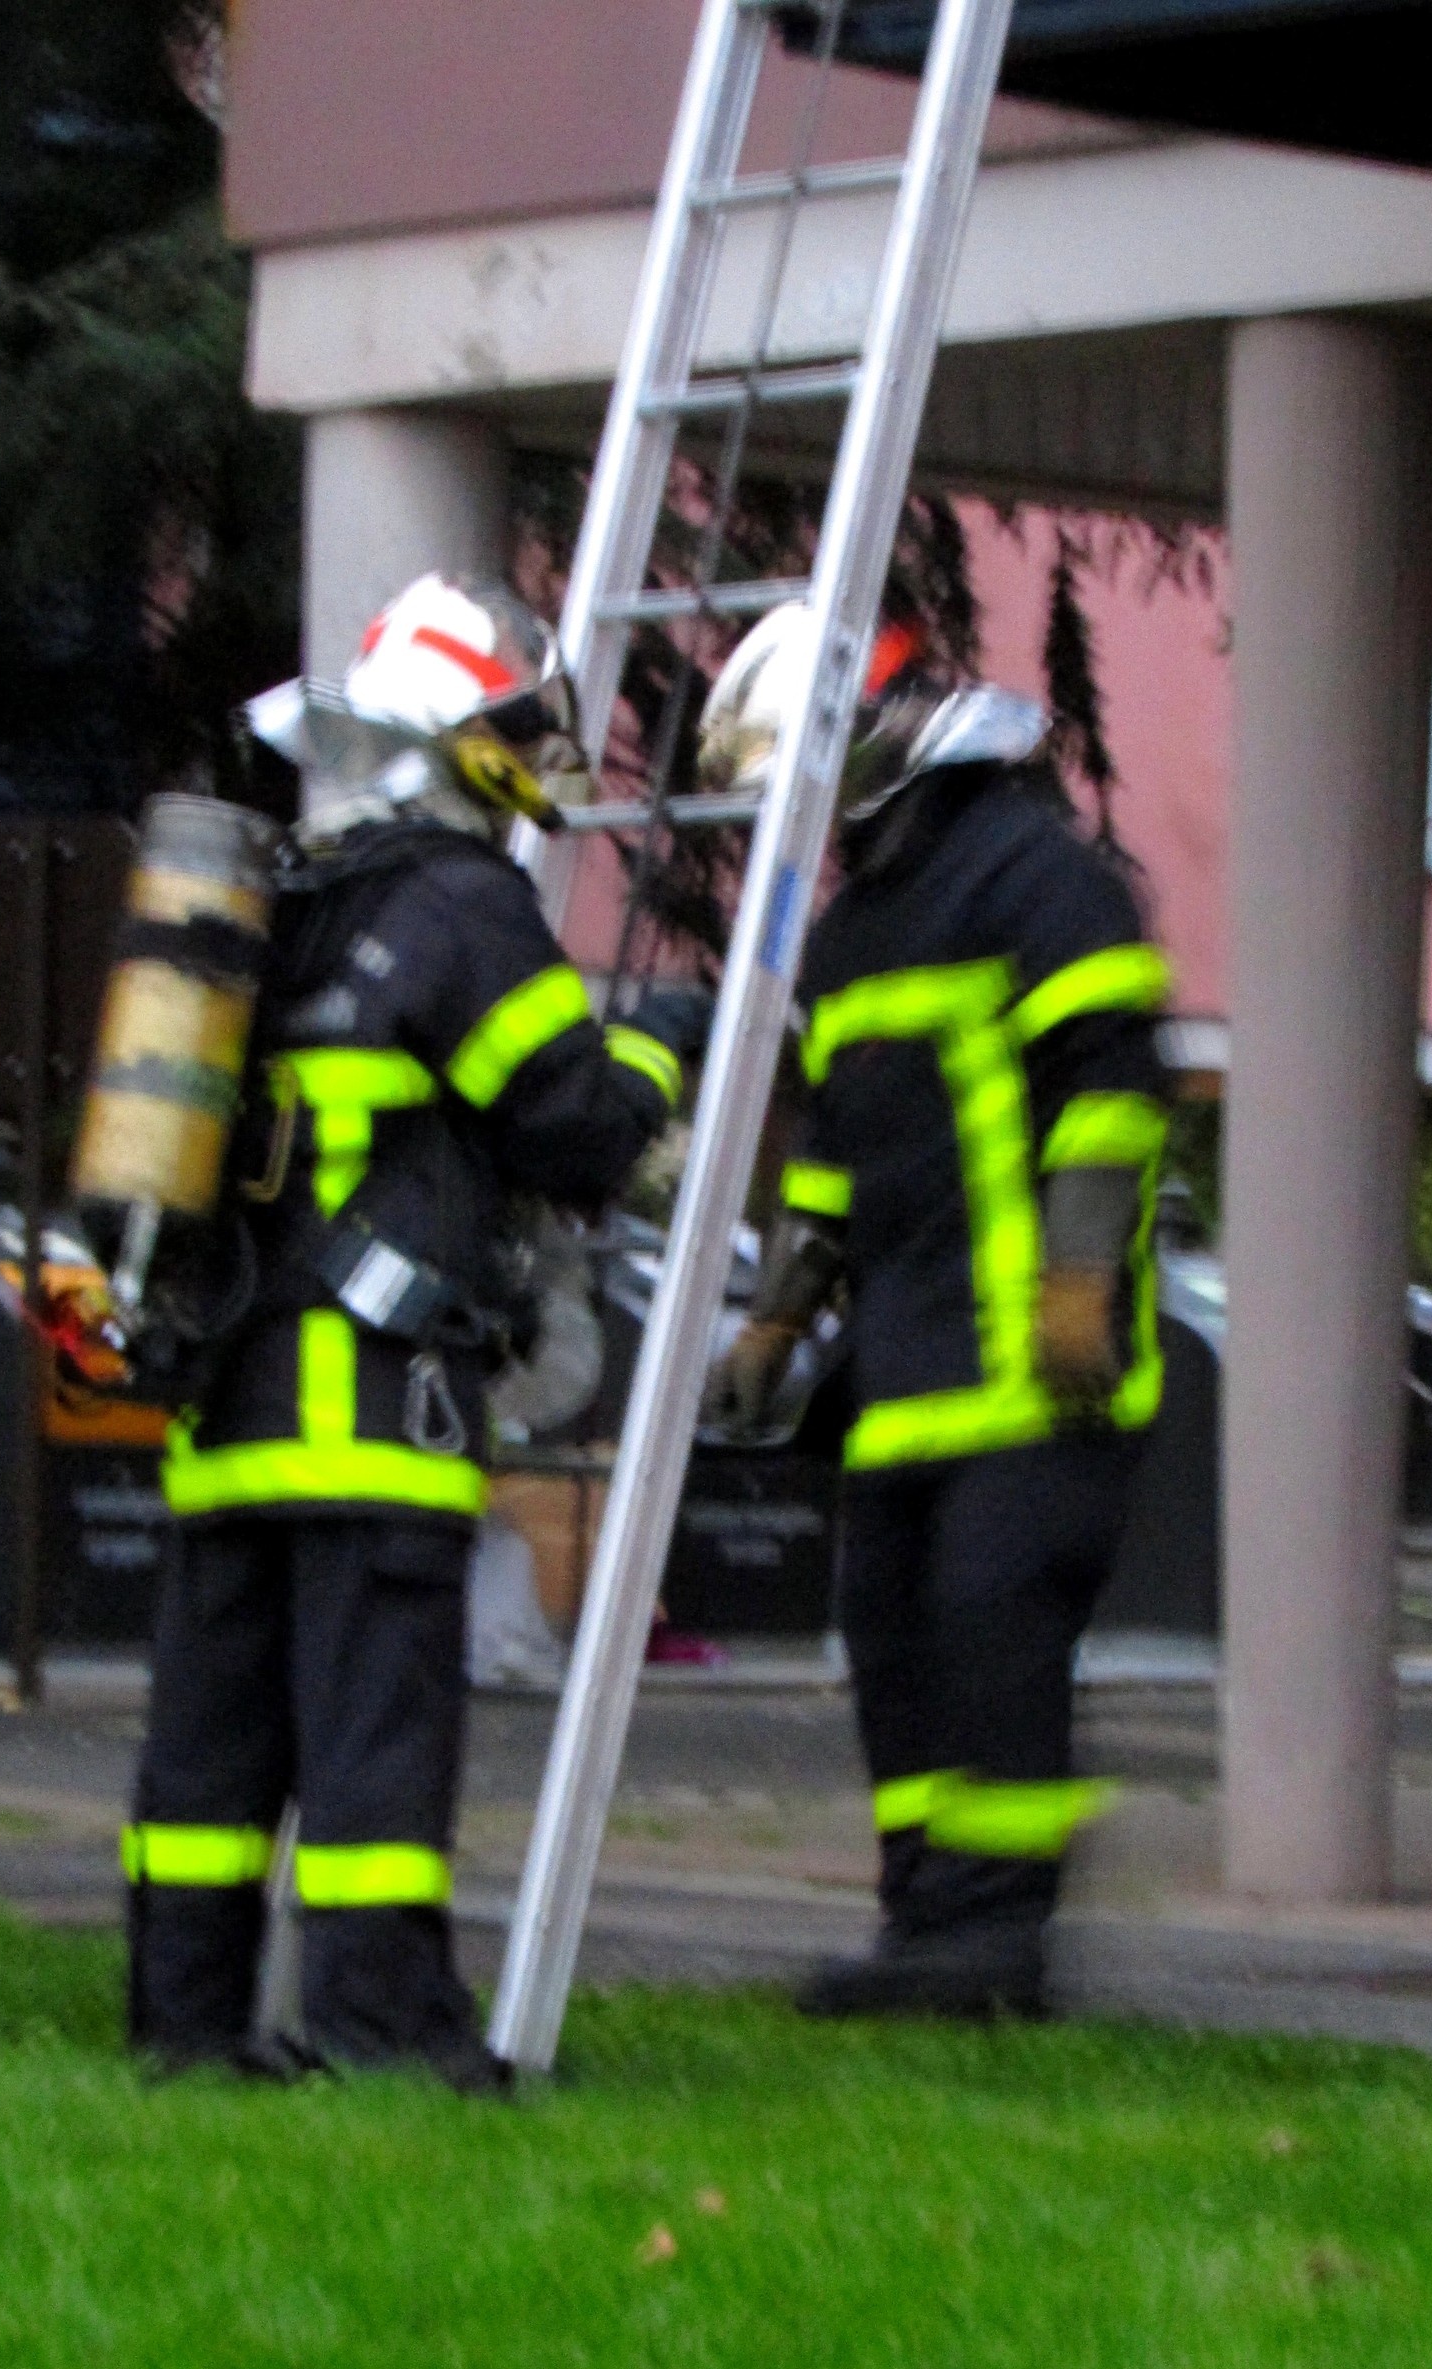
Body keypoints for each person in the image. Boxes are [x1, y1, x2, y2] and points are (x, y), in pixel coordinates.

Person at [124, 575, 693, 2089]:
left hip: (228, 1410)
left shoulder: (288, 899)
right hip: (374, 1411)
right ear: (466, 734)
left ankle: (183, 2031)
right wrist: (649, 1056)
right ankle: (383, 2034)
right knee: (375, 1744)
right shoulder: (457, 900)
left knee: (210, 1752)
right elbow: (568, 1126)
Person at [700, 603, 1169, 2018]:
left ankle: (993, 1940)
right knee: (893, 1639)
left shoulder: (1043, 879)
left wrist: (1080, 1278)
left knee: (992, 1630)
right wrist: (780, 1316)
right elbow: (834, 1148)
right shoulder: (848, 933)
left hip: (1044, 1367)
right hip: (906, 1369)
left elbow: (1109, 1085)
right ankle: (924, 1922)